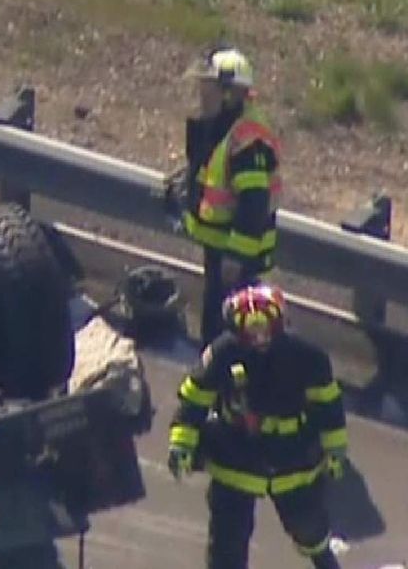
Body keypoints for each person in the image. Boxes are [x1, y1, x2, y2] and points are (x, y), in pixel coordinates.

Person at [167, 284, 349, 569]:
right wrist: (182, 443)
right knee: (227, 543)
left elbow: (329, 408)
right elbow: (194, 400)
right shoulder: (222, 353)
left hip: (293, 459)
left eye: (265, 330)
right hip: (236, 456)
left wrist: (335, 451)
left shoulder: (309, 358)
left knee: (310, 530)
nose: (259, 339)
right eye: (250, 333)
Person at [177, 47, 283, 345]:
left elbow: (254, 204)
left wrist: (235, 258)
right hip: (219, 250)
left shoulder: (247, 140)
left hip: (235, 257)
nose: (200, 94)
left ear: (227, 94)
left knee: (228, 332)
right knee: (216, 325)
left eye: (206, 88)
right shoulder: (221, 127)